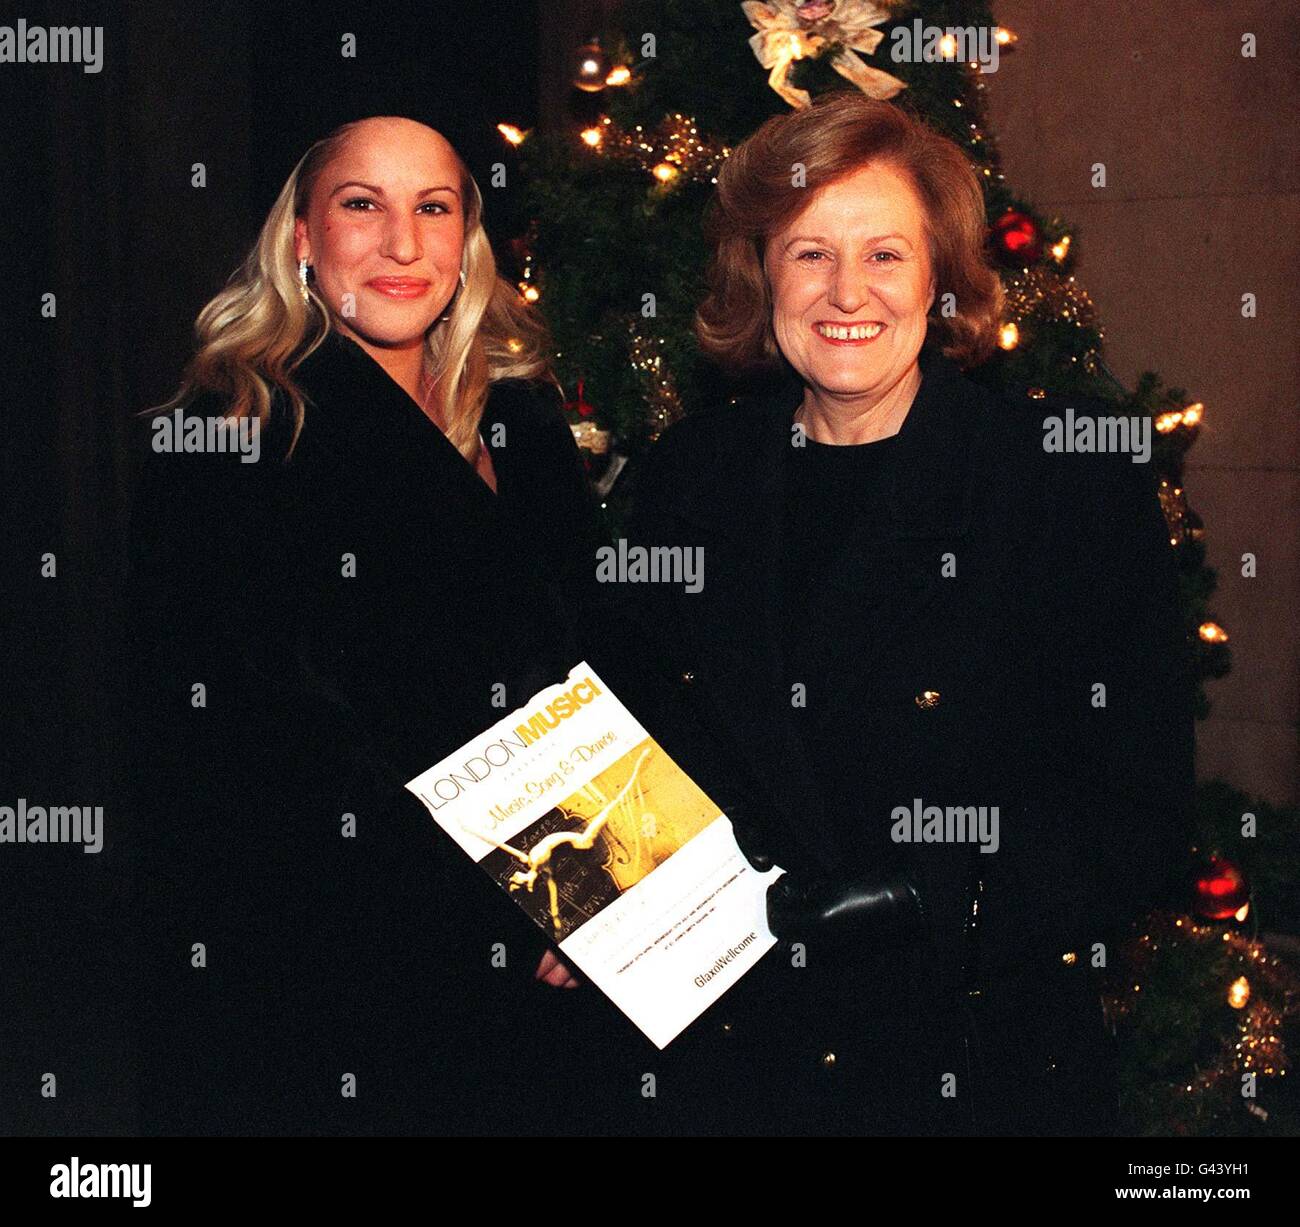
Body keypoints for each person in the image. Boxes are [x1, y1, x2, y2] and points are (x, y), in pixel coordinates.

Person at [601, 90, 1197, 1135]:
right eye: (808, 254)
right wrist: (601, 910)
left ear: (940, 282)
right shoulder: (690, 475)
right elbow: (626, 728)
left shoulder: (1062, 483)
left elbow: (1138, 815)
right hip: (735, 1062)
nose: (845, 292)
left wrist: (933, 897)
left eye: (884, 254)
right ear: (761, 276)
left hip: (972, 1061)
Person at [126, 115, 608, 1135]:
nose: (402, 243)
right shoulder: (231, 432)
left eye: (433, 207)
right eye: (362, 205)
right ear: (301, 237)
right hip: (343, 957)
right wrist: (526, 900)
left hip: (564, 935)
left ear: (467, 238)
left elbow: (588, 658)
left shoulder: (518, 416)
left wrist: (600, 893)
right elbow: (266, 739)